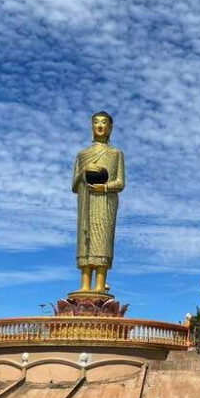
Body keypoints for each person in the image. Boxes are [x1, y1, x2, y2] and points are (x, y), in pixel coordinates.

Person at [72, 111, 125, 293]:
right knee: (85, 239)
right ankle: (85, 285)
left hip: (106, 200)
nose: (100, 126)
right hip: (86, 199)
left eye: (104, 123)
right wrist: (85, 170)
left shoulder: (116, 153)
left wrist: (103, 187)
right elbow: (73, 185)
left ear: (110, 128)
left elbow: (120, 183)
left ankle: (100, 286)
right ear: (92, 126)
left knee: (102, 238)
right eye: (96, 122)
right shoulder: (82, 154)